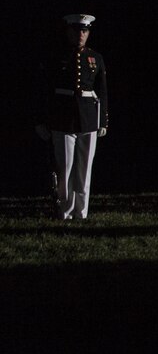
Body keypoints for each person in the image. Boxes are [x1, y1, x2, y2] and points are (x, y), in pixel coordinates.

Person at [34, 14, 108, 220]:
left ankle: (81, 212)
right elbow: (43, 90)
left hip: (88, 117)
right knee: (65, 167)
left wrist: (103, 120)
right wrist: (41, 120)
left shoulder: (96, 58)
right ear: (69, 32)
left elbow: (102, 91)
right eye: (77, 31)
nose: (81, 35)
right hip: (63, 117)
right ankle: (65, 210)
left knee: (84, 169)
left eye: (84, 31)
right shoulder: (55, 56)